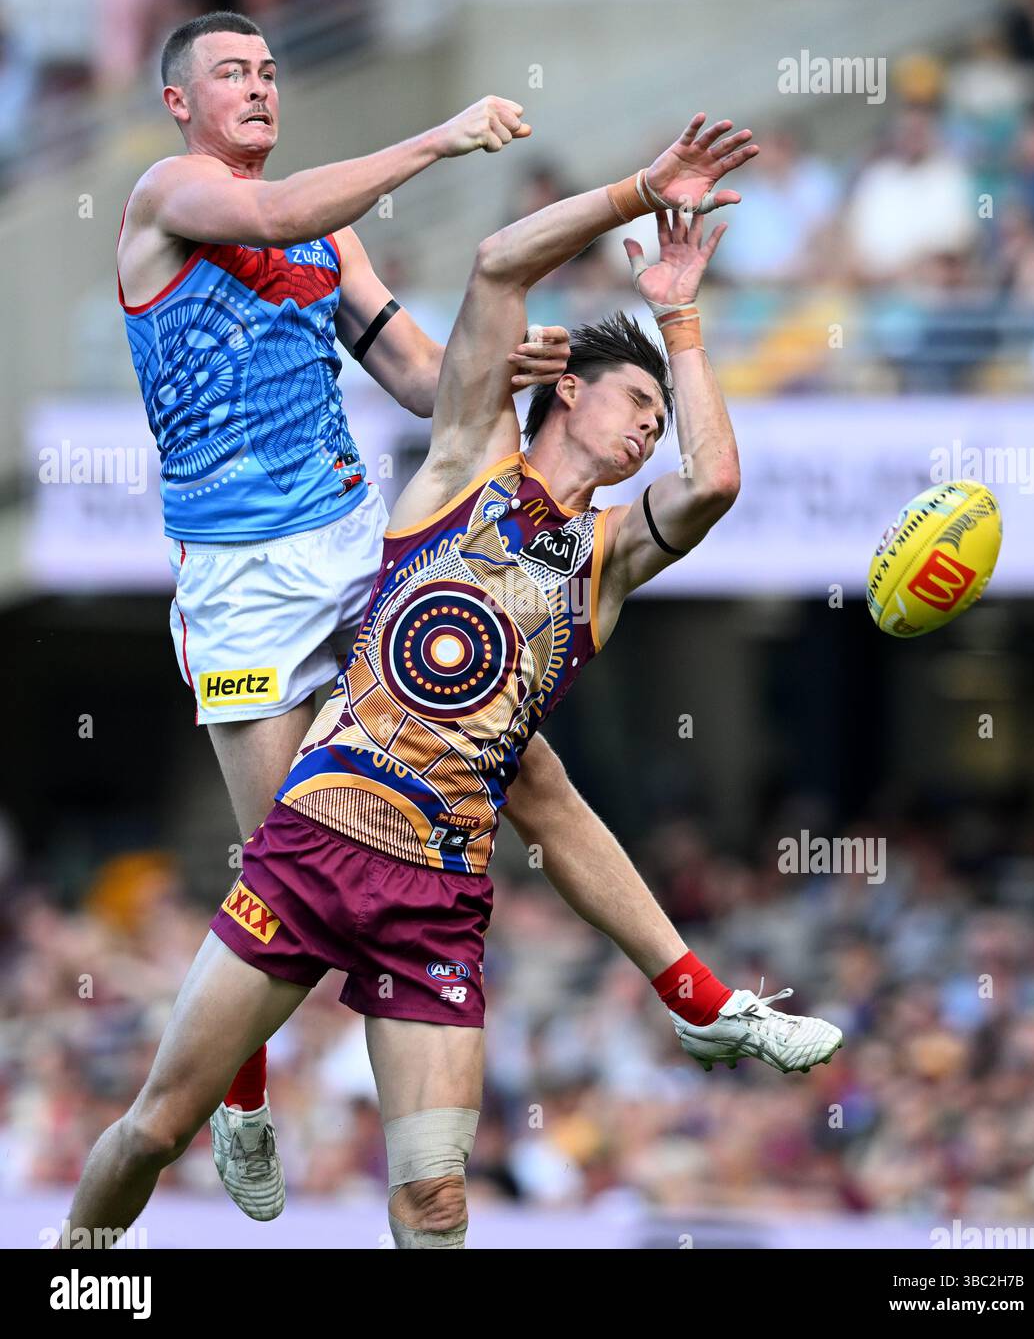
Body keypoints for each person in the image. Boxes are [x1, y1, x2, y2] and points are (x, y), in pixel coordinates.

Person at [69, 111, 843, 1249]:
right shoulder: (465, 459)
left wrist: (680, 319)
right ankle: (79, 1269)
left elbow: (716, 483)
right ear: (567, 391)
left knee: (435, 1198)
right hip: (318, 846)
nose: (649, 430)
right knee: (150, 1129)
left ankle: (697, 1001)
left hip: (441, 889)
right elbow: (497, 263)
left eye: (658, 417)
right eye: (637, 403)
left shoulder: (610, 558)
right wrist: (640, 189)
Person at [119, 8, 581, 1218]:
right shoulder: (171, 194)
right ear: (180, 101)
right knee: (286, 881)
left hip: (351, 550)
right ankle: (241, 1085)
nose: (259, 90)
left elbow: (426, 382)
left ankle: (434, 1151)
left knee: (474, 784)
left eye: (270, 73)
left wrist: (504, 367)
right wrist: (438, 139)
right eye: (232, 73)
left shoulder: (333, 243)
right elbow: (276, 215)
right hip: (239, 588)